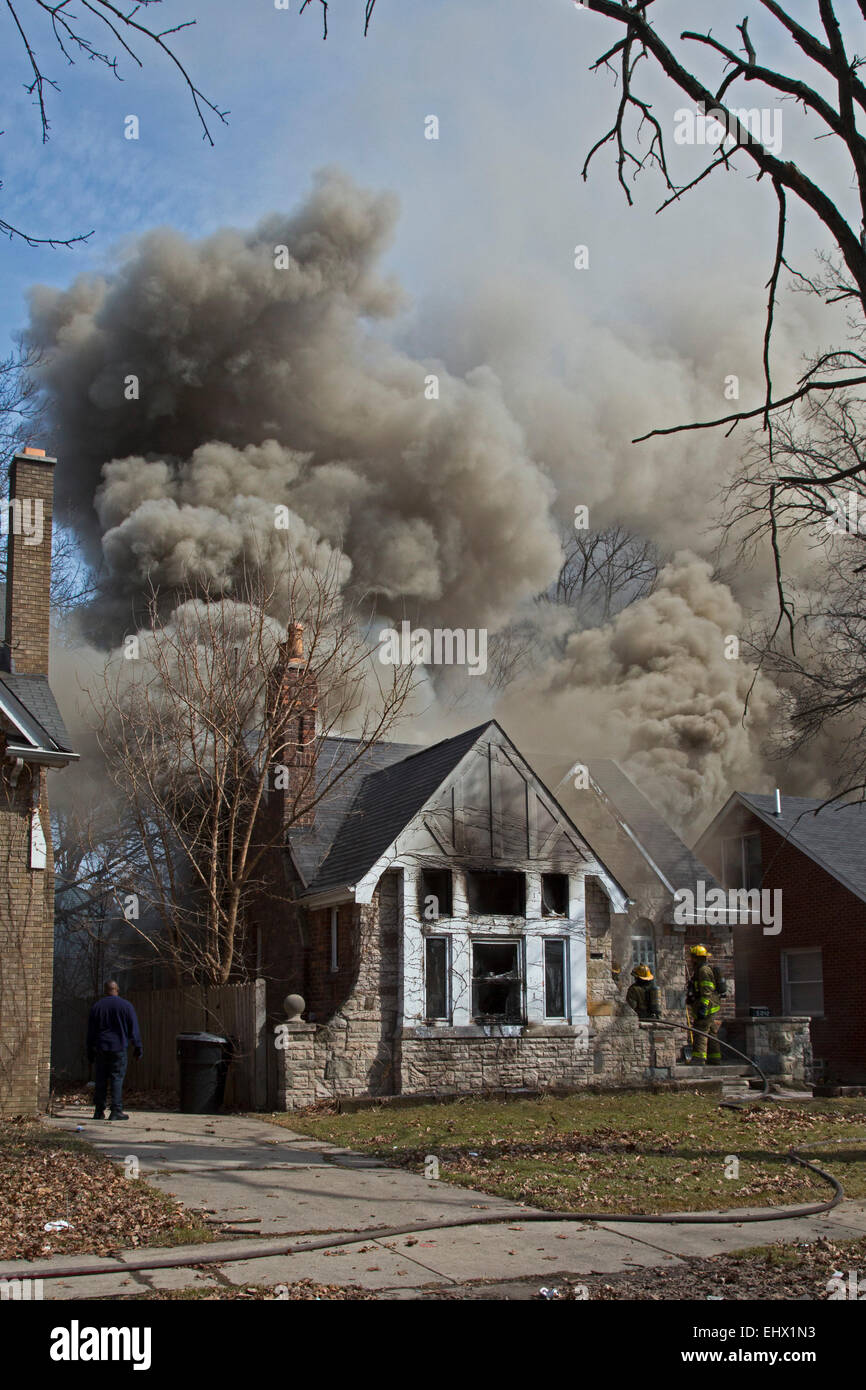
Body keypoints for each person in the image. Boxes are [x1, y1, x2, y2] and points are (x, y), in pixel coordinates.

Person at [86, 980, 143, 1120]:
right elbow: (133, 1028)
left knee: (100, 1079)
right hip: (118, 1048)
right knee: (116, 1078)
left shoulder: (97, 1007)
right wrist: (138, 1047)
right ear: (117, 989)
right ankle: (116, 1110)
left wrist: (89, 1049)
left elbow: (90, 1032)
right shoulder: (126, 1006)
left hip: (101, 1048)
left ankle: (99, 1111)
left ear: (105, 990)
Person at [686, 945, 724, 1064]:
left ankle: (699, 1058)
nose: (691, 960)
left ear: (696, 958)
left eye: (692, 957)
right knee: (712, 1032)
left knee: (700, 1030)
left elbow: (707, 990)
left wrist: (703, 1007)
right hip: (710, 1004)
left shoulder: (703, 970)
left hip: (707, 1005)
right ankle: (715, 1058)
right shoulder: (700, 969)